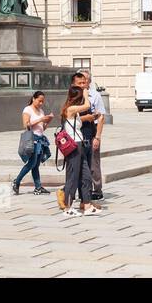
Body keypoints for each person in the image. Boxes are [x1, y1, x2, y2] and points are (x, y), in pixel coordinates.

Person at [57, 85, 100, 216]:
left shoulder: (74, 112)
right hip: (74, 146)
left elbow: (80, 119)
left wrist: (92, 117)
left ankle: (87, 205)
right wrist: (87, 95)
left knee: (86, 175)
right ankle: (67, 207)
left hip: (80, 144)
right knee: (72, 177)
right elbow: (87, 105)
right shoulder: (70, 109)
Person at [12, 91, 52, 196]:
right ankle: (17, 181)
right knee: (32, 163)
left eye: (42, 101)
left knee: (36, 165)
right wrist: (40, 119)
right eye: (39, 101)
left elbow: (42, 128)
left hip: (40, 139)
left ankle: (38, 187)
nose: (41, 103)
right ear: (34, 99)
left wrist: (48, 120)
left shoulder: (41, 111)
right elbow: (26, 125)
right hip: (32, 139)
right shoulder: (27, 109)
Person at [79, 70, 106, 200]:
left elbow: (101, 117)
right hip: (78, 130)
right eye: (80, 80)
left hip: (92, 128)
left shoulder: (95, 95)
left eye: (84, 80)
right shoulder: (75, 95)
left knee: (94, 161)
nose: (82, 83)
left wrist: (98, 136)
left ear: (89, 81)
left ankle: (97, 189)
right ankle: (84, 189)